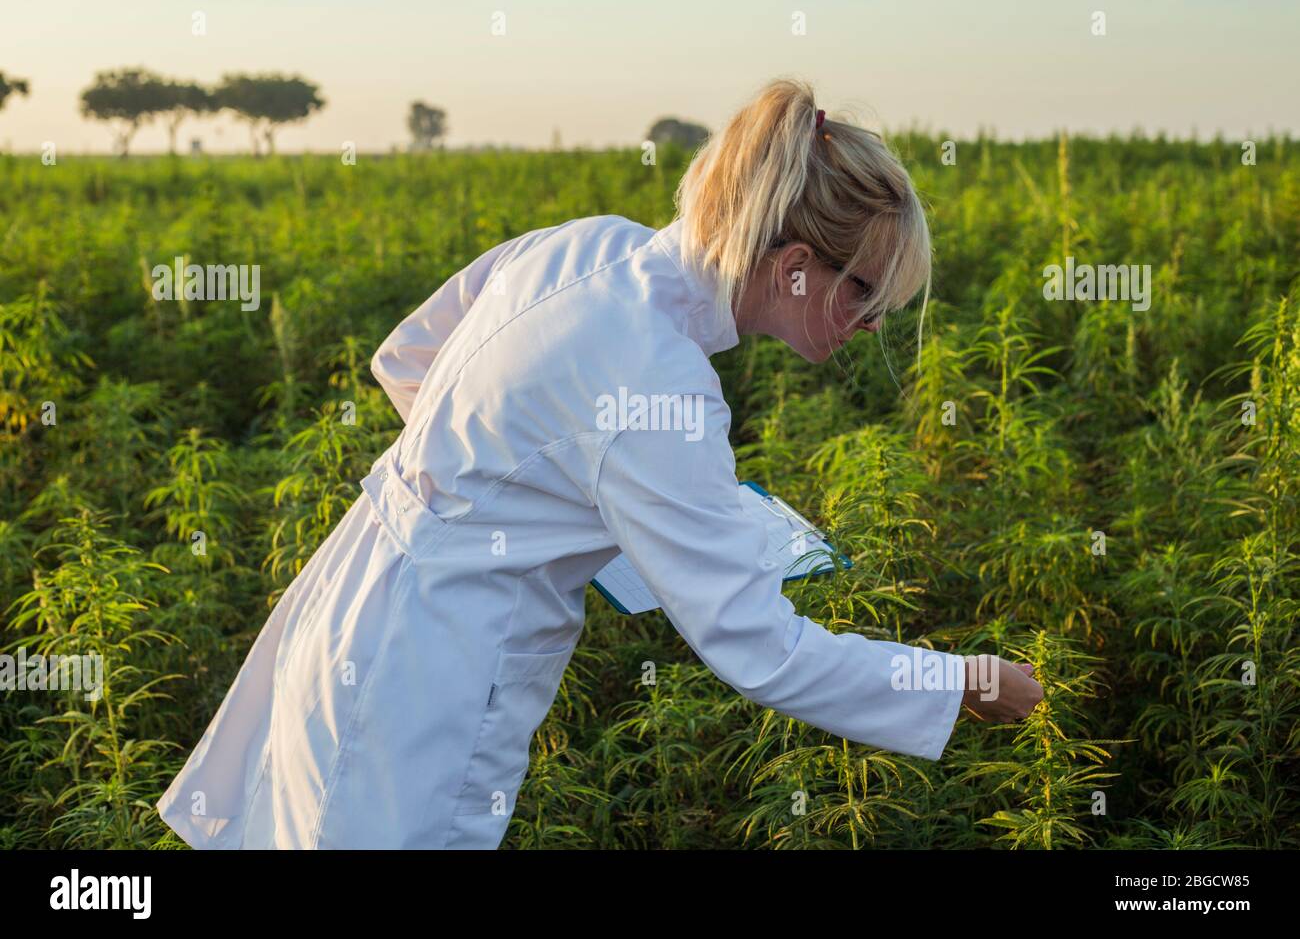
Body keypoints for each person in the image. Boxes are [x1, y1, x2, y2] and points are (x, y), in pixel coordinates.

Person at [155, 77, 1042, 851]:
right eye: (867, 295)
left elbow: (408, 359)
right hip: (422, 674)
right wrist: (961, 680)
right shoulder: (665, 383)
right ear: (799, 265)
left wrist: (532, 498)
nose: (874, 325)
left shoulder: (585, 245)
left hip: (352, 604)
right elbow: (762, 651)